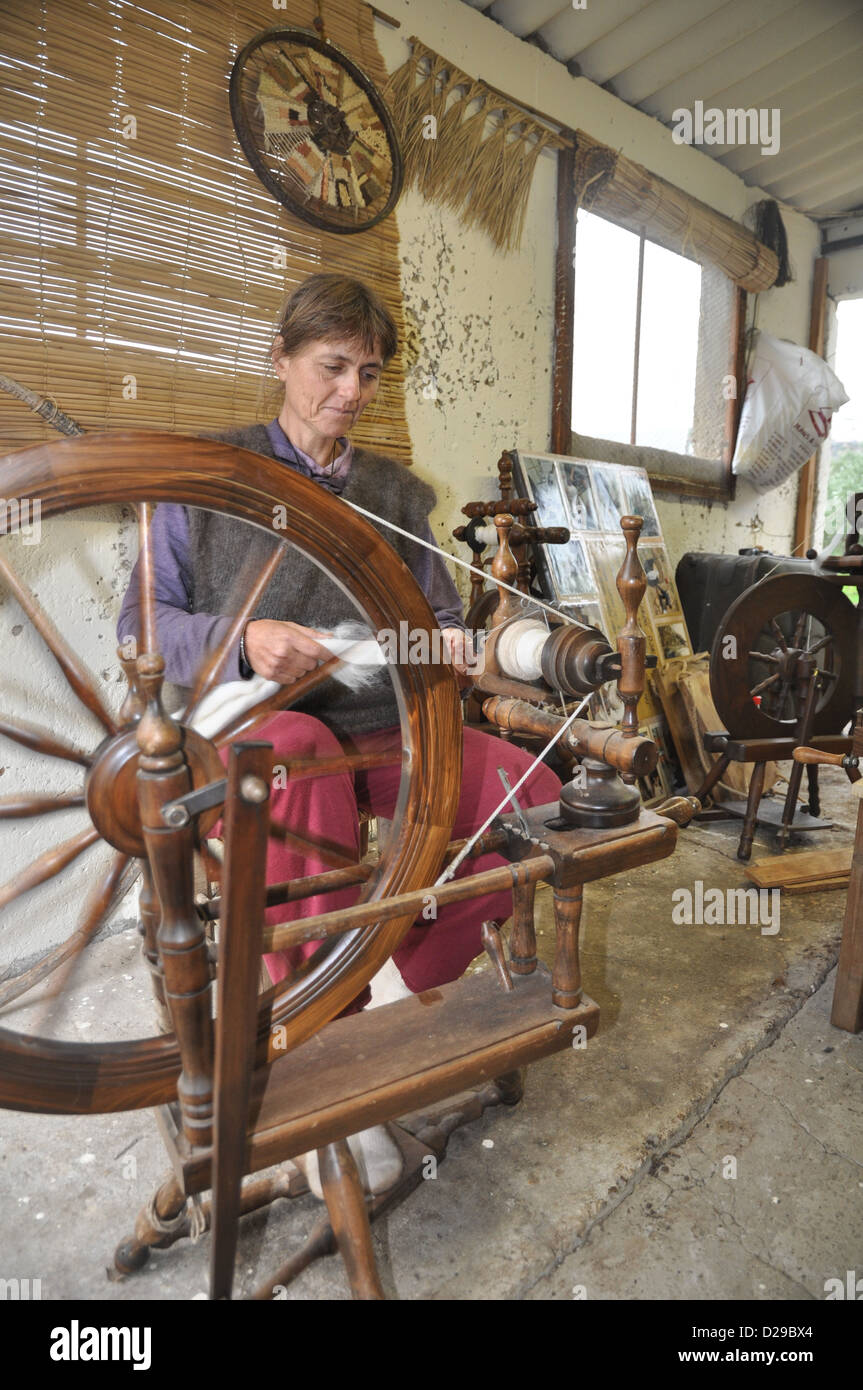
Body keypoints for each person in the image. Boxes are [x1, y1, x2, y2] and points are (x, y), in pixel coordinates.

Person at [118, 273, 561, 1194]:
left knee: (528, 792)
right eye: (330, 366)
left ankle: (405, 978)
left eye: (367, 373)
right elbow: (141, 630)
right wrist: (244, 640)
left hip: (388, 732)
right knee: (299, 754)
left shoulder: (397, 495)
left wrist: (457, 646)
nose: (349, 392)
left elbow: (435, 629)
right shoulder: (210, 474)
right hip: (253, 735)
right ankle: (329, 1030)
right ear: (280, 360)